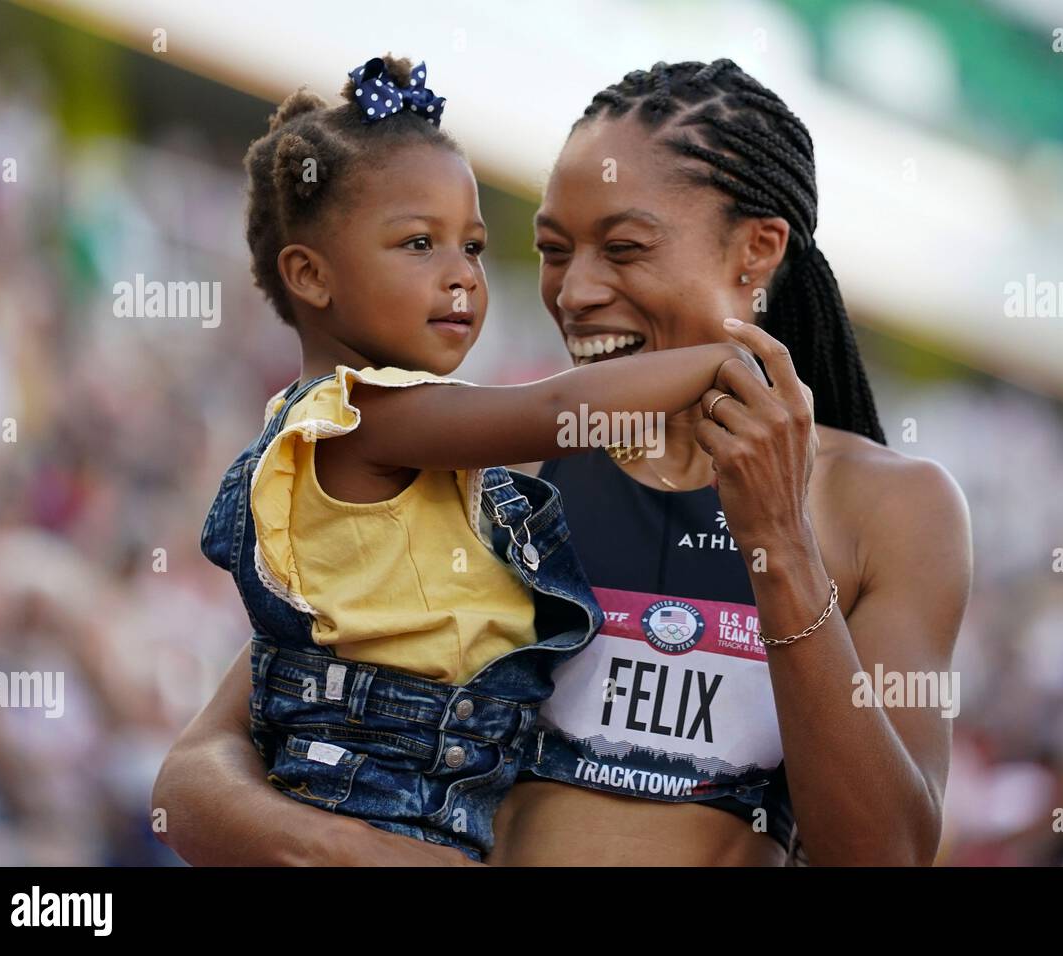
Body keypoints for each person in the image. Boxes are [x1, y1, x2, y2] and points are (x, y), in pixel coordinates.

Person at [155, 58, 973, 867]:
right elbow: (195, 778)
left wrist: (780, 545)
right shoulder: (494, 465)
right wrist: (347, 848)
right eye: (552, 250)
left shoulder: (891, 509)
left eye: (622, 248)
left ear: (755, 253)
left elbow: (885, 852)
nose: (575, 290)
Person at [197, 53, 766, 862]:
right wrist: (721, 360)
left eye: (472, 245)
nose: (462, 275)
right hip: (373, 785)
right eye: (419, 243)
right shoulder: (360, 417)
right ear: (310, 276)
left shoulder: (401, 432)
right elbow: (555, 411)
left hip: (433, 782)